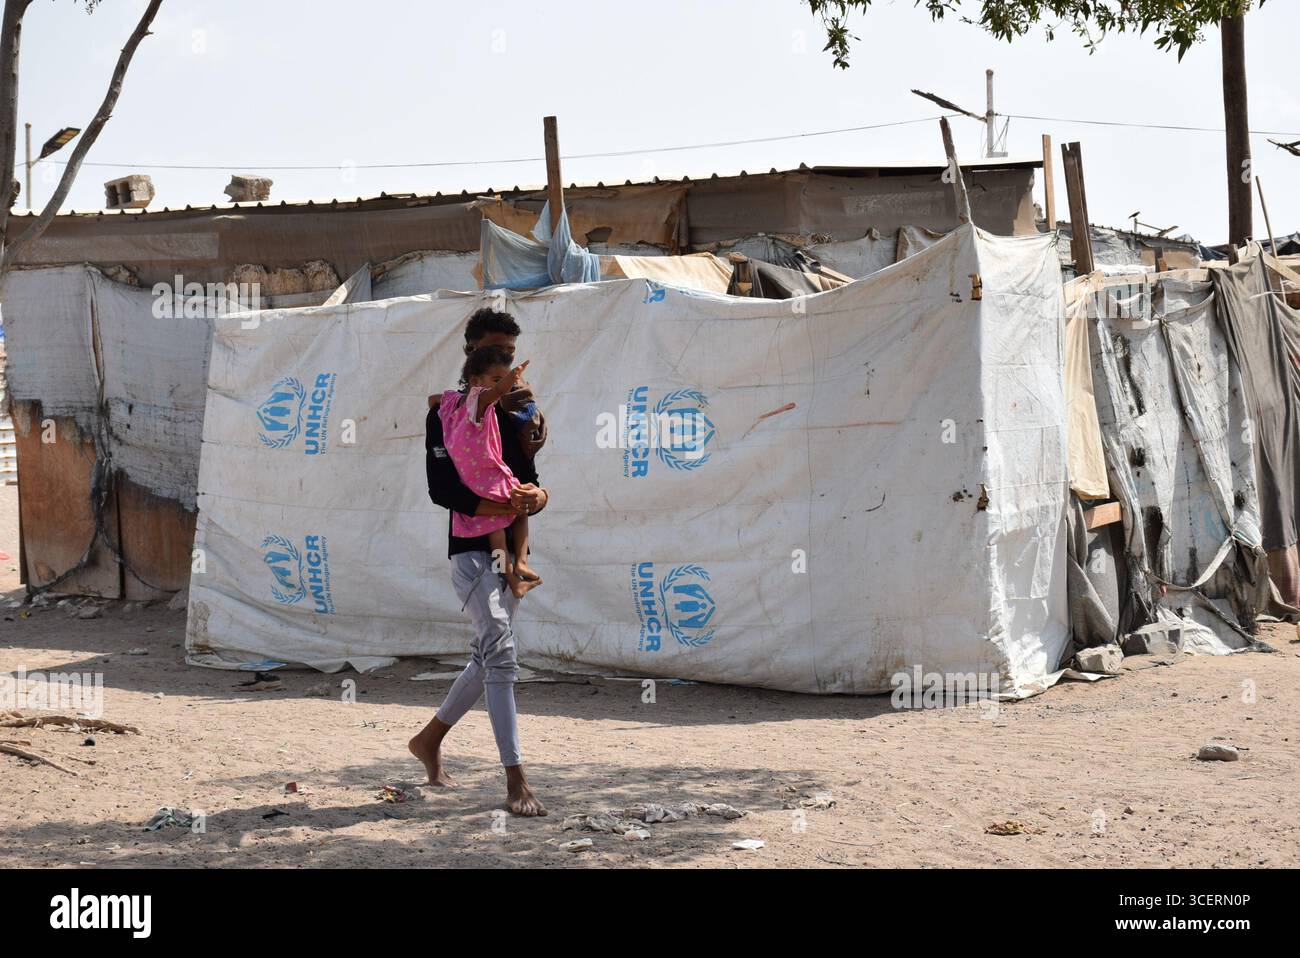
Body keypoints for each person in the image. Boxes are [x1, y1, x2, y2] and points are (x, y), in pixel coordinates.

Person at [410, 307, 549, 817]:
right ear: (471, 354)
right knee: (503, 657)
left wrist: (534, 501)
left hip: (510, 545)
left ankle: (429, 739)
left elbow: (528, 478)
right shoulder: (446, 413)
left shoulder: (519, 413)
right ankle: (515, 780)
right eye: (495, 355)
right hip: (471, 547)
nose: (506, 365)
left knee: (489, 655)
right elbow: (443, 490)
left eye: (511, 356)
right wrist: (506, 505)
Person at [437, 345, 540, 598]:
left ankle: (513, 582)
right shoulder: (477, 402)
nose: (503, 384)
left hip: (473, 482)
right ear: (474, 381)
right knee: (520, 511)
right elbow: (495, 393)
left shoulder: (450, 403)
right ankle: (522, 562)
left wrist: (436, 402)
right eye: (497, 378)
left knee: (495, 535)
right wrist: (512, 377)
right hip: (490, 476)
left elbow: (433, 401)